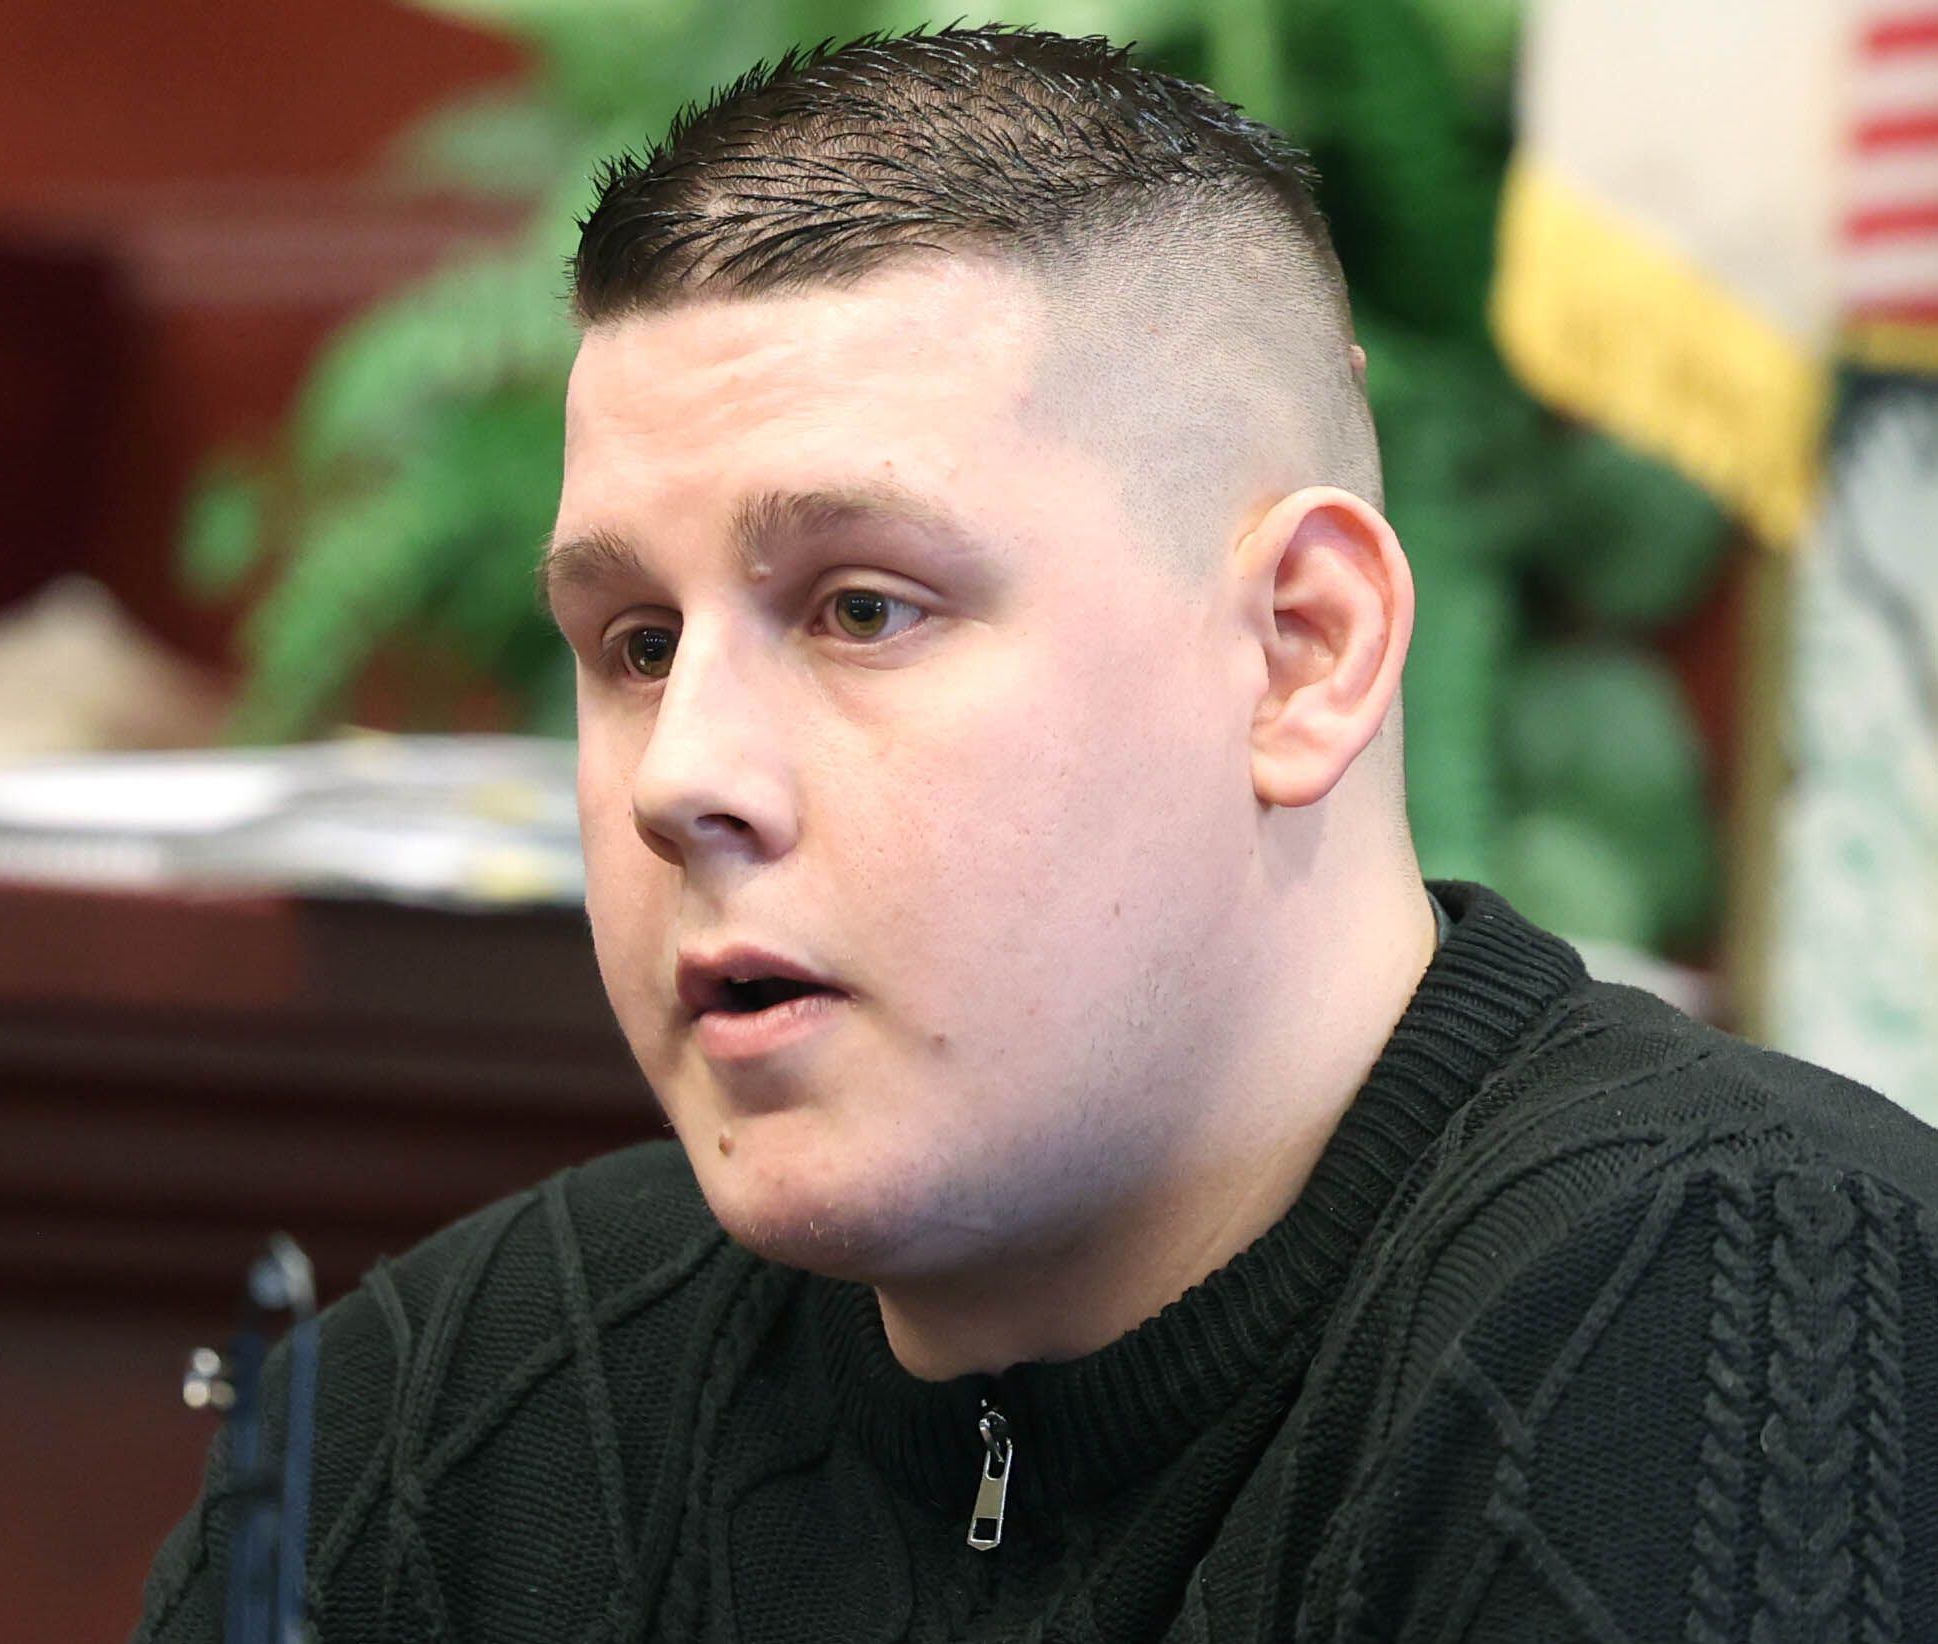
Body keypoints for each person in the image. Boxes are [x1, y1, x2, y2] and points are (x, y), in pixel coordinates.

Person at [132, 26, 1938, 1643]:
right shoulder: (441, 1417)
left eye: (860, 609)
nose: (682, 775)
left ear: (1299, 652)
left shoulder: (1741, 1323)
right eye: (638, 644)